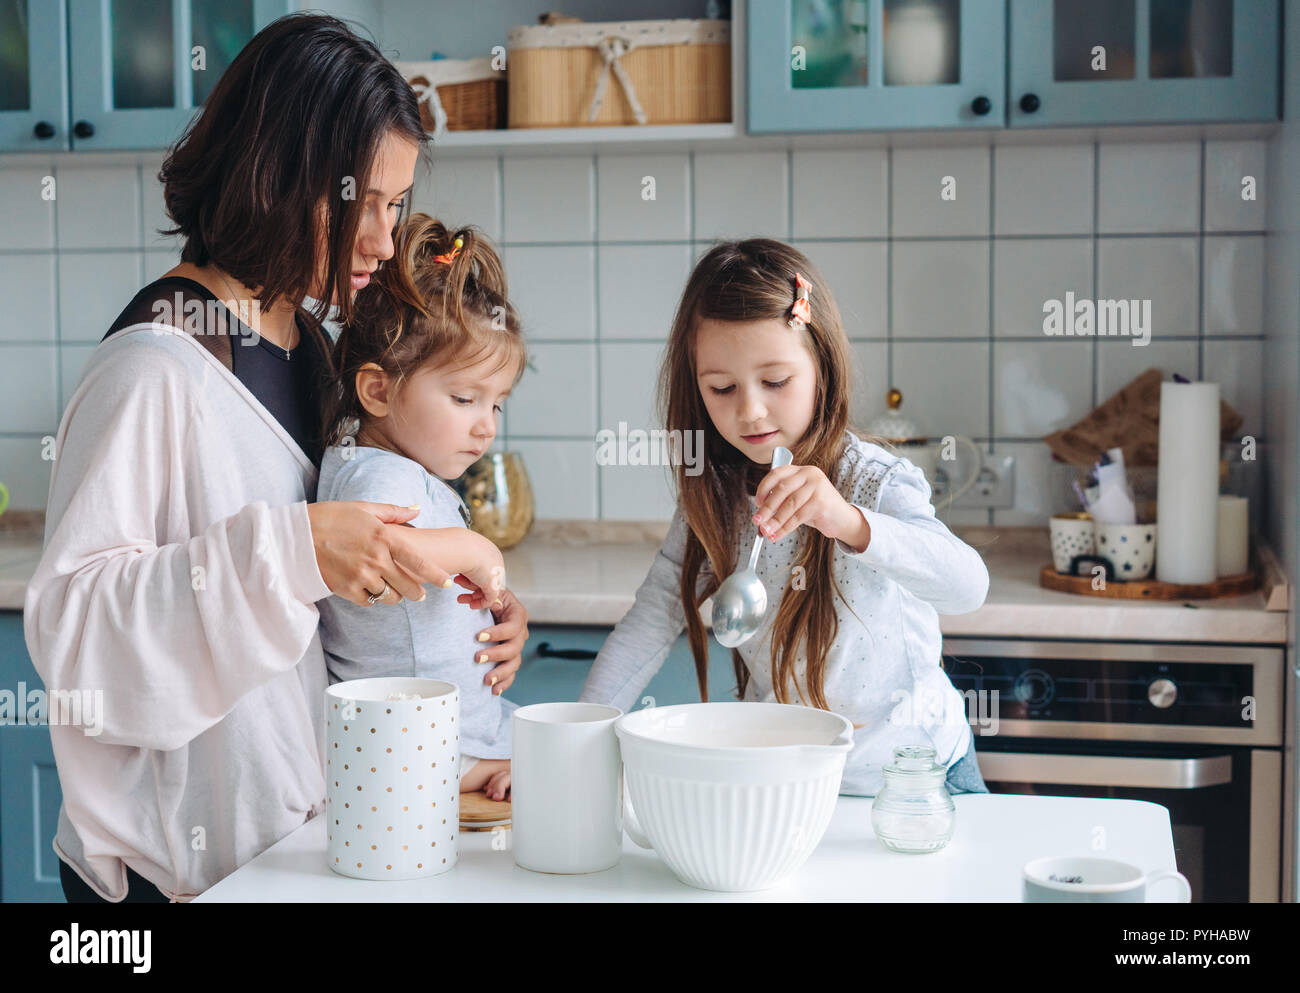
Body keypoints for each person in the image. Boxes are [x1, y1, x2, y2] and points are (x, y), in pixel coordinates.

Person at [24, 13, 512, 904]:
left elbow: (321, 628)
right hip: (163, 878)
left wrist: (464, 640)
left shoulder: (313, 347)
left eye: (395, 204)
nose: (381, 237)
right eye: (359, 202)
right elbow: (76, 636)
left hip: (279, 854)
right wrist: (292, 549)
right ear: (273, 178)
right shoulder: (155, 366)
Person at [578, 239, 991, 796]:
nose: (750, 410)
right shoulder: (716, 498)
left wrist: (848, 521)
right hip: (788, 782)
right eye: (722, 388)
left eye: (775, 382)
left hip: (917, 779)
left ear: (820, 366)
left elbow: (967, 587)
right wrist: (578, 737)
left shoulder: (875, 481)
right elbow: (652, 619)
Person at [317, 214, 527, 802]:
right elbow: (386, 550)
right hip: (421, 755)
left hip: (437, 737)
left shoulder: (400, 471)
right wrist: (479, 548)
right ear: (378, 390)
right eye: (464, 398)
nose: (485, 427)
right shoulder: (379, 475)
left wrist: (497, 608)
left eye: (496, 406)